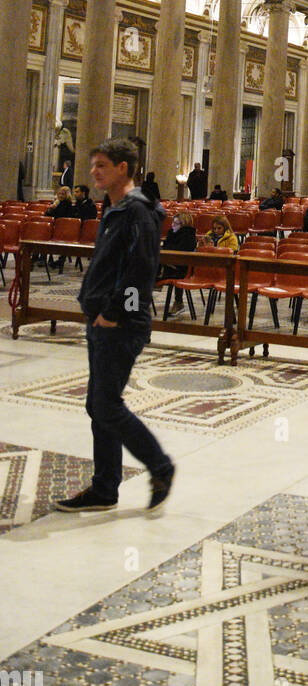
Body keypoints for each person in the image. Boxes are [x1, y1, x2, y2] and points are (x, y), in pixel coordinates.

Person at [53, 138, 174, 514]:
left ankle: (159, 467)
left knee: (106, 405)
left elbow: (143, 272)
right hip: (104, 319)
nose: (94, 171)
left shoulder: (137, 212)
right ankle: (105, 488)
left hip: (120, 324)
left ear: (124, 168)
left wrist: (118, 313)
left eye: (102, 165)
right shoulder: (117, 209)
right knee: (98, 404)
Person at [160, 209, 198, 315]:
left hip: (180, 268)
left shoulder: (188, 236)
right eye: (172, 222)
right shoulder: (172, 234)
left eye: (176, 223)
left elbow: (179, 252)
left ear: (184, 224)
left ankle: (135, 305)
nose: (172, 226)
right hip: (169, 264)